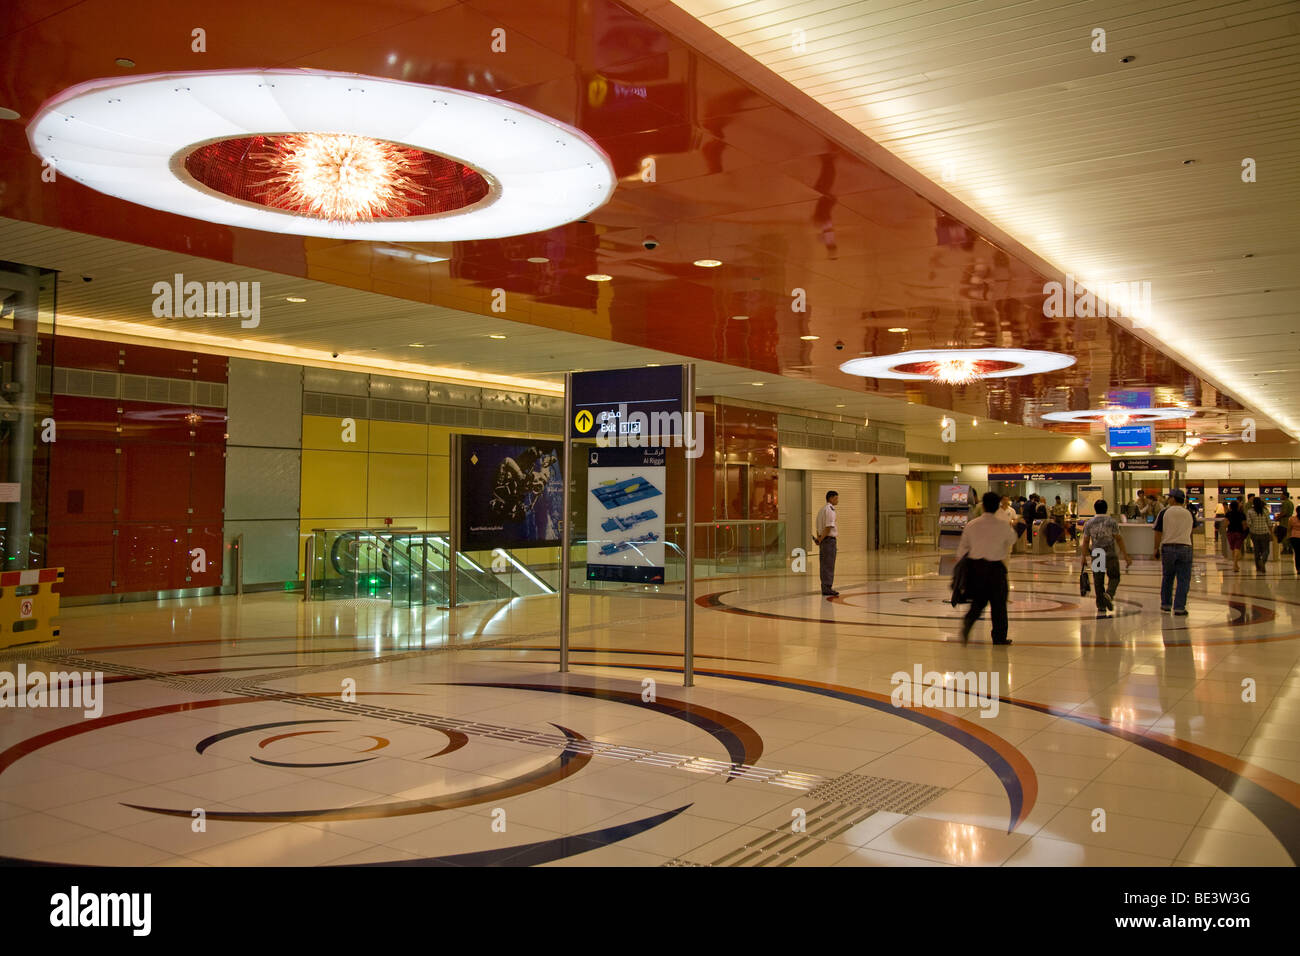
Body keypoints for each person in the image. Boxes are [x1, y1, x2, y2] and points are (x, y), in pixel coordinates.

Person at [955, 490, 1019, 645]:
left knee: (978, 601)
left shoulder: (972, 525)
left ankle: (968, 623)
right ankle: (999, 637)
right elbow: (1012, 540)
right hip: (996, 568)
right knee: (999, 604)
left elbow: (962, 550)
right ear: (997, 506)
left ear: (982, 506)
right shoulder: (1002, 525)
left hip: (977, 568)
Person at [1081, 499, 1132, 617]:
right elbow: (1118, 538)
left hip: (1097, 553)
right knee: (1114, 576)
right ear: (1106, 508)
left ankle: (1101, 605)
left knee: (1098, 579)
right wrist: (1125, 554)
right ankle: (1109, 594)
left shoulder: (1089, 523)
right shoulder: (1112, 522)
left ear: (1095, 509)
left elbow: (1085, 541)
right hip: (1110, 552)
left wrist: (1083, 556)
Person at [1153, 489, 1194, 615]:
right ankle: (1179, 607)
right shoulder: (1189, 513)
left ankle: (1166, 604)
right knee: (1183, 579)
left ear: (1174, 499)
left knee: (1168, 577)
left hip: (1168, 547)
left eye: (1169, 497)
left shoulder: (1164, 512)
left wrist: (1156, 548)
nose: (1168, 499)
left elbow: (1158, 532)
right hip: (1185, 547)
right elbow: (1191, 532)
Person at [813, 490, 839, 597]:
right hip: (828, 540)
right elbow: (828, 527)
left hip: (823, 539)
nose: (837, 500)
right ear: (831, 498)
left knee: (824, 564)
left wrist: (819, 538)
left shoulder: (822, 510)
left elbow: (819, 527)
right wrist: (820, 539)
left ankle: (825, 586)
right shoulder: (830, 510)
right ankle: (827, 587)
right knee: (829, 564)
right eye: (836, 498)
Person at [1246, 497, 1273, 574]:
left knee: (1257, 550)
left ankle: (1258, 567)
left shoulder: (1250, 511)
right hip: (1265, 532)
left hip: (1254, 533)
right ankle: (1263, 561)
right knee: (1266, 550)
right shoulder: (1265, 511)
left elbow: (1249, 523)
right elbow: (1269, 523)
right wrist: (1271, 533)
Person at [1225, 500, 1248, 572]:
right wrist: (1245, 532)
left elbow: (1226, 524)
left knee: (1233, 549)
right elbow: (1244, 525)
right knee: (1237, 548)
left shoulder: (1228, 514)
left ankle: (1235, 564)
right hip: (1239, 532)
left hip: (1230, 532)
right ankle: (1235, 564)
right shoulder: (1242, 514)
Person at [1288, 507, 1300, 574]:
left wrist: (1288, 537)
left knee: (1297, 553)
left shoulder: (1292, 519)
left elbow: (1289, 528)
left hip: (1294, 538)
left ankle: (1298, 568)